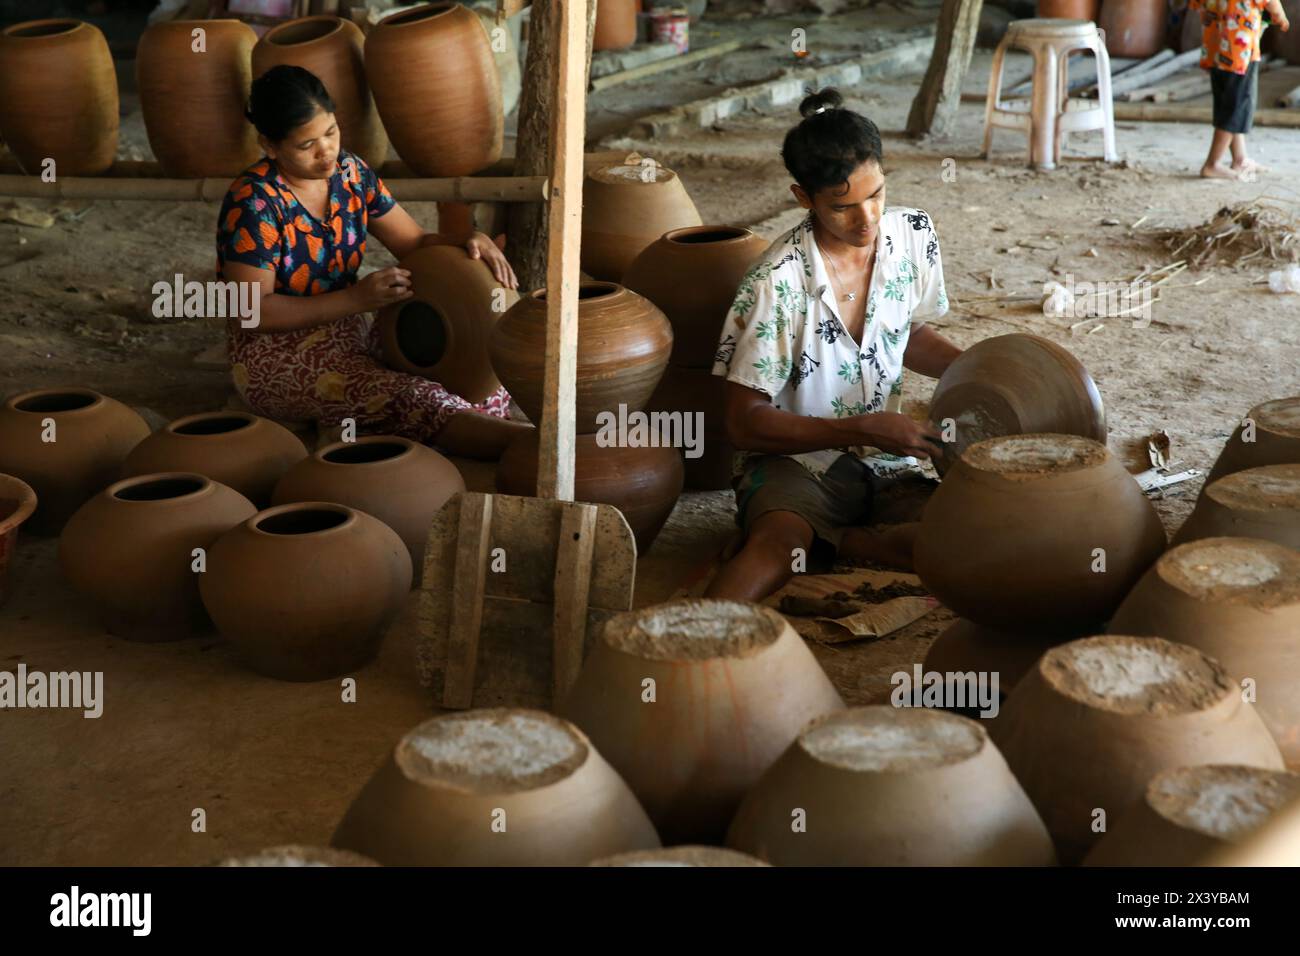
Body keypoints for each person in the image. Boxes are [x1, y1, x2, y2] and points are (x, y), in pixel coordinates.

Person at [705, 88, 963, 604]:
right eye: (843, 207)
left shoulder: (912, 235)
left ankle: (846, 541)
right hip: (795, 463)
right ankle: (694, 644)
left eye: (877, 194)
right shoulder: (775, 283)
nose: (867, 220)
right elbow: (741, 421)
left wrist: (975, 369)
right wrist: (859, 425)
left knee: (970, 535)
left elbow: (904, 333)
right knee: (777, 551)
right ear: (804, 198)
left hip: (886, 460)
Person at [217, 65, 531, 458]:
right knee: (414, 395)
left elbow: (414, 242)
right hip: (273, 353)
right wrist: (355, 300)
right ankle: (527, 447)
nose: (326, 151)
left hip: (357, 332)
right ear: (270, 146)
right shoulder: (255, 203)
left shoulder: (351, 173)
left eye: (331, 132)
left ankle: (363, 422)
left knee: (478, 371)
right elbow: (252, 313)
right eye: (306, 144)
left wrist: (464, 240)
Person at [1190, 0, 1290, 180]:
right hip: (1239, 52)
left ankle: (1239, 159)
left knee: (1226, 102)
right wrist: (1280, 17)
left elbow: (1198, 6)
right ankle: (1212, 165)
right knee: (1237, 106)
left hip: (1215, 46)